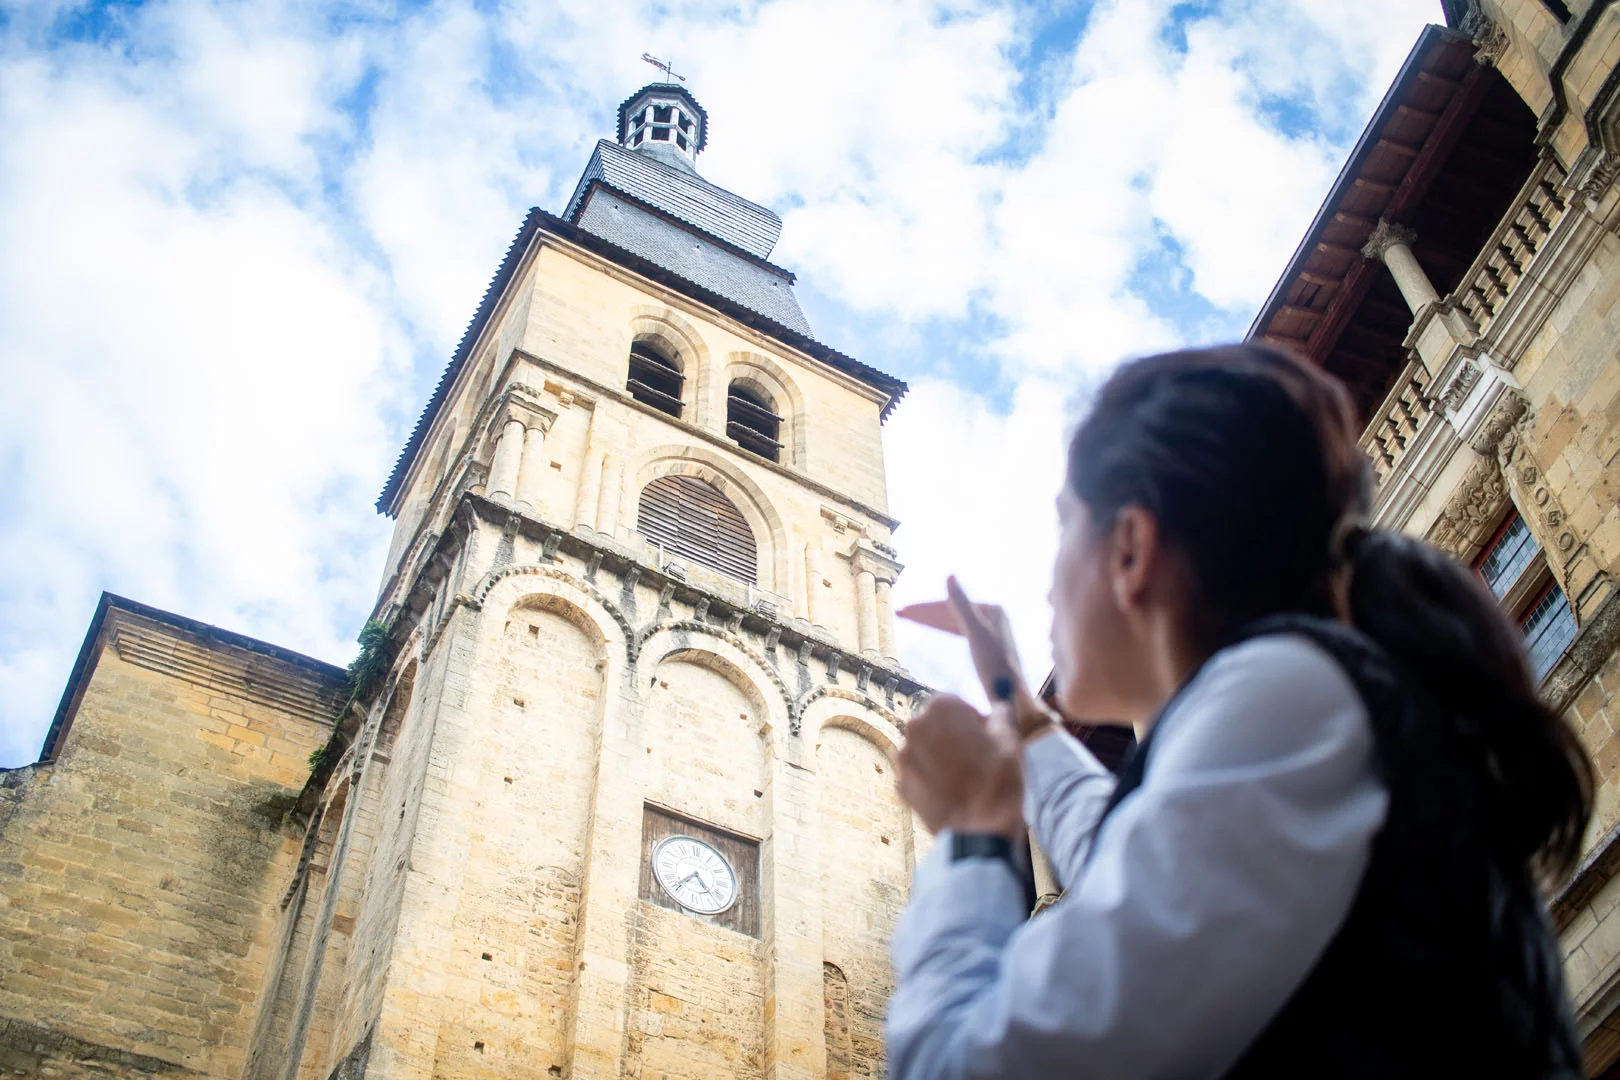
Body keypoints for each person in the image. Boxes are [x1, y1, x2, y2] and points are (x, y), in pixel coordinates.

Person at [886, 343, 1594, 1078]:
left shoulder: (1287, 695)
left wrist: (973, 829)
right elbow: (1134, 860)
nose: (1045, 586)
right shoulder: (1300, 699)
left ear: (1130, 546)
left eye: (1065, 524)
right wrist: (1018, 710)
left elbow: (961, 1065)